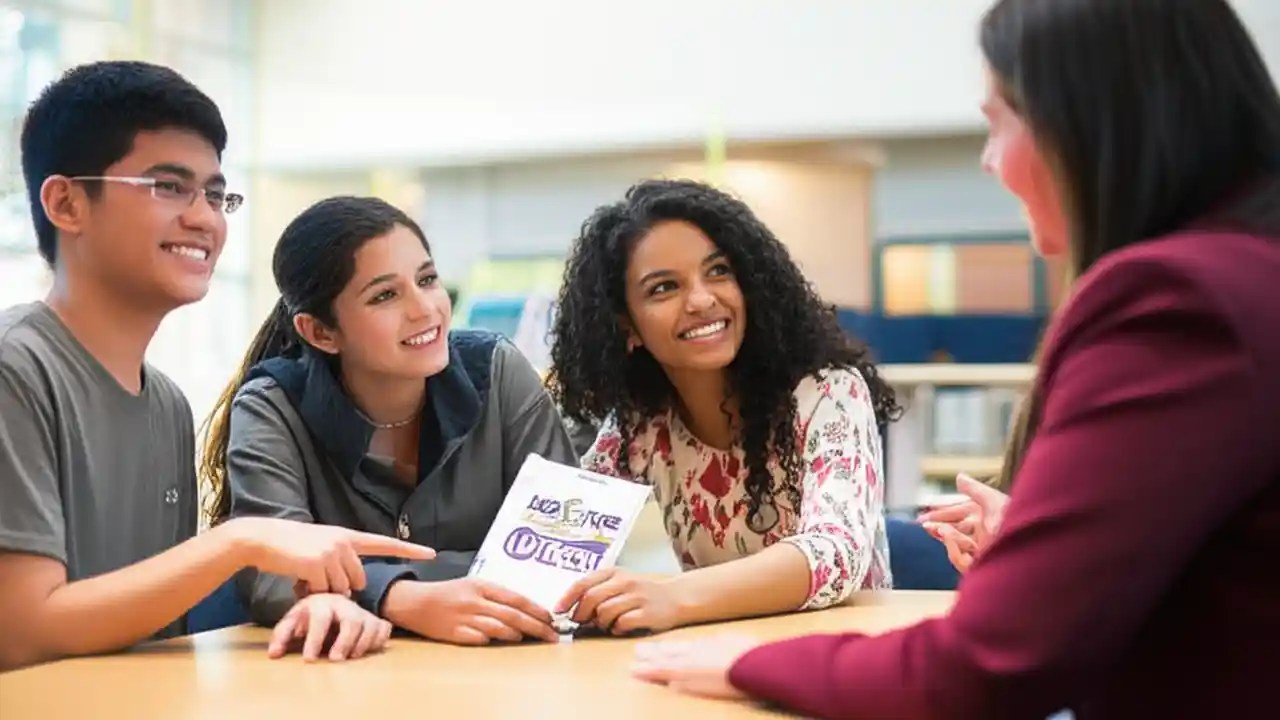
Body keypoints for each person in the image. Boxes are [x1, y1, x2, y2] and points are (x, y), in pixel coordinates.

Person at [630, 0, 1280, 716]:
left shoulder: (1173, 300)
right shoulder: (1244, 273)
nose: (990, 159)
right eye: (662, 288)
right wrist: (1054, 541)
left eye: (1000, 121)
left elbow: (988, 664)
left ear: (1088, 121)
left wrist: (749, 658)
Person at [0, 62, 433, 673]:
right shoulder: (16, 370)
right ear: (67, 203)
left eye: (215, 193)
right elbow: (21, 635)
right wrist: (236, 541)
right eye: (168, 187)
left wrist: (319, 603)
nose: (205, 218)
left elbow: (153, 629)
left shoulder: (166, 404)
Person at [201, 196, 578, 646]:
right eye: (385, 295)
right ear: (320, 332)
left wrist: (352, 582)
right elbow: (272, 574)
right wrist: (404, 599)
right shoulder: (272, 407)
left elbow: (566, 554)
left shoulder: (498, 372)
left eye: (428, 279)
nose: (425, 309)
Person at [547, 179, 901, 635]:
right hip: (714, 658)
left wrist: (671, 597)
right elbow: (560, 537)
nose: (701, 300)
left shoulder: (827, 394)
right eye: (663, 288)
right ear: (626, 326)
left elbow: (836, 554)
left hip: (841, 659)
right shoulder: (642, 421)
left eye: (718, 271)